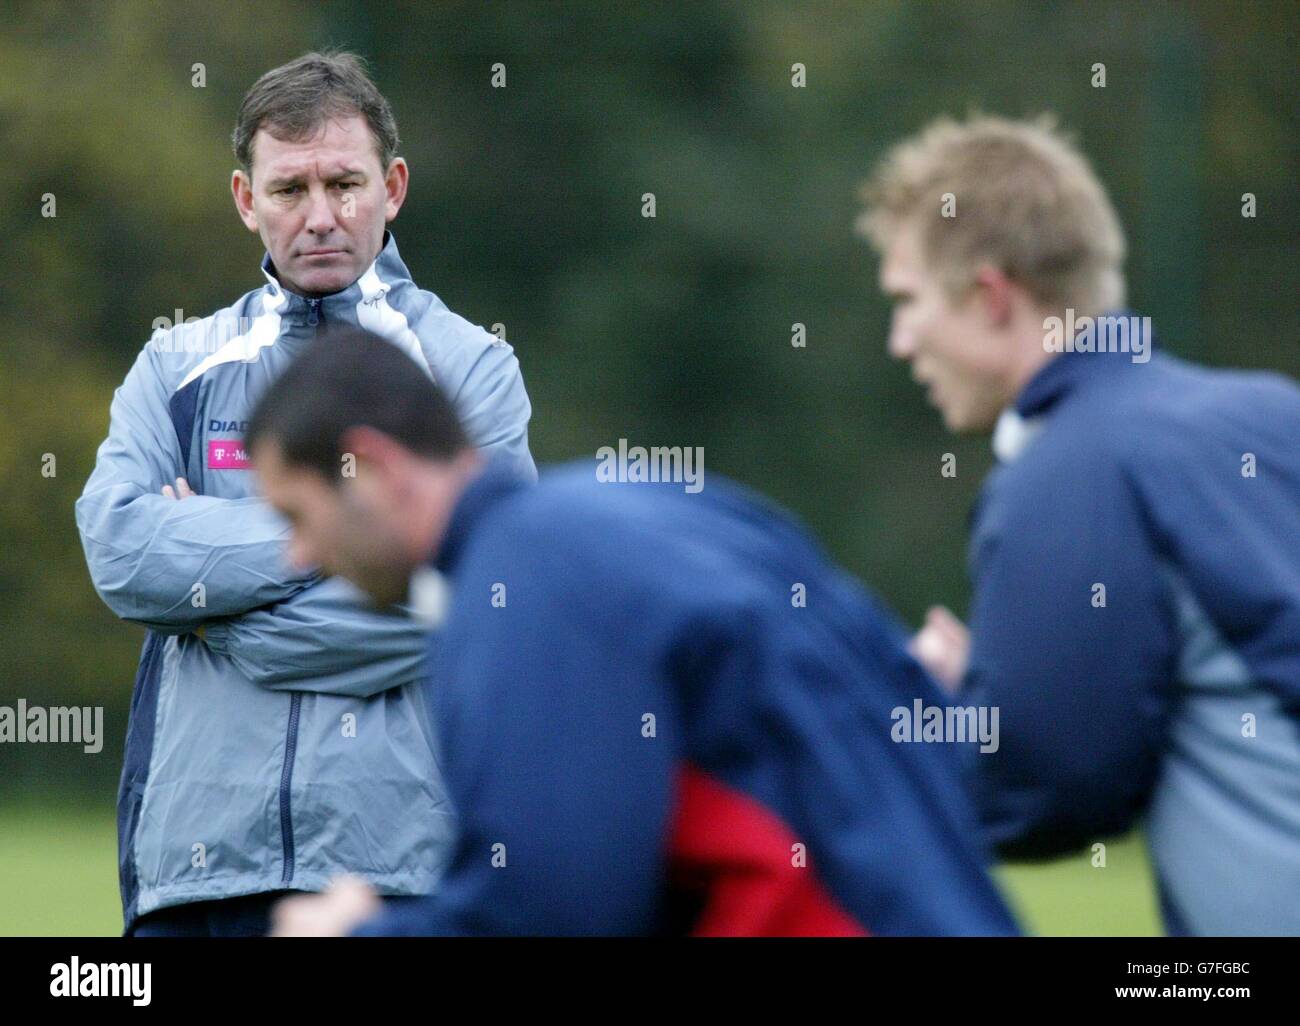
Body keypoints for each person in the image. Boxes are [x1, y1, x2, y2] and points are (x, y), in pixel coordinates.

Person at [247, 327, 1018, 937]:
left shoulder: (523, 584)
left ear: (369, 468)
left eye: (296, 515)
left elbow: (554, 912)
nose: (297, 554)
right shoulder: (669, 505)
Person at [74, 50, 535, 936]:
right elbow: (123, 551)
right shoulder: (173, 363)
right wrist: (351, 551)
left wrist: (209, 609)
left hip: (393, 874)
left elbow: (476, 596)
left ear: (392, 187)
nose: (320, 216)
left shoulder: (472, 367)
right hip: (193, 872)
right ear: (247, 200)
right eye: (289, 190)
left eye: (344, 183)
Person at [858, 113, 1300, 935]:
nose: (900, 341)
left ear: (991, 298)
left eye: (907, 300)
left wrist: (948, 707)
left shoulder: (1073, 468)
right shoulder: (1272, 414)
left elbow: (1043, 786)